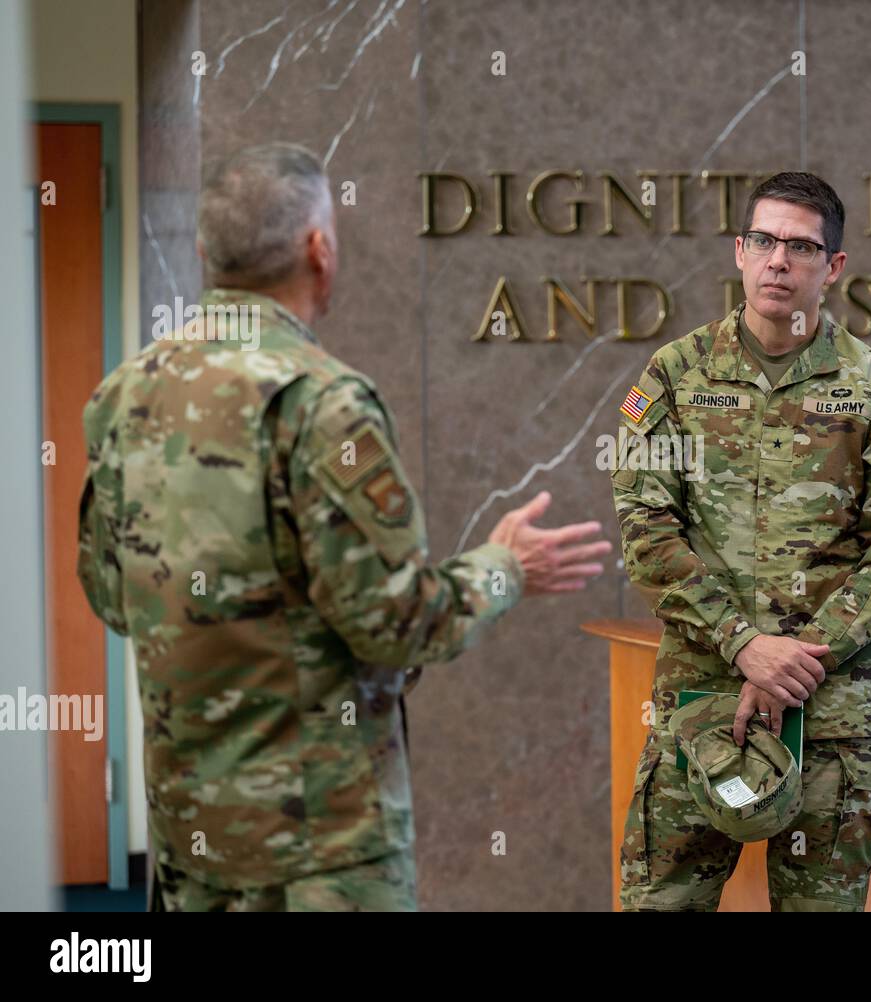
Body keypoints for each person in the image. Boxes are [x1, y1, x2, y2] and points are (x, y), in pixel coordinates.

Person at [77, 142, 610, 911]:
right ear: (318, 249)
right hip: (320, 852)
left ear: (204, 253)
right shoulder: (325, 403)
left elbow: (110, 593)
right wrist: (506, 567)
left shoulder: (122, 395)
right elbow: (396, 623)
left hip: (190, 841)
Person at [611, 170, 871, 911]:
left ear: (834, 267)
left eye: (800, 245)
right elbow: (646, 530)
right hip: (703, 703)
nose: (778, 260)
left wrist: (794, 661)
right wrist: (743, 645)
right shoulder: (674, 376)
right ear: (739, 251)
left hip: (830, 717)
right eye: (764, 240)